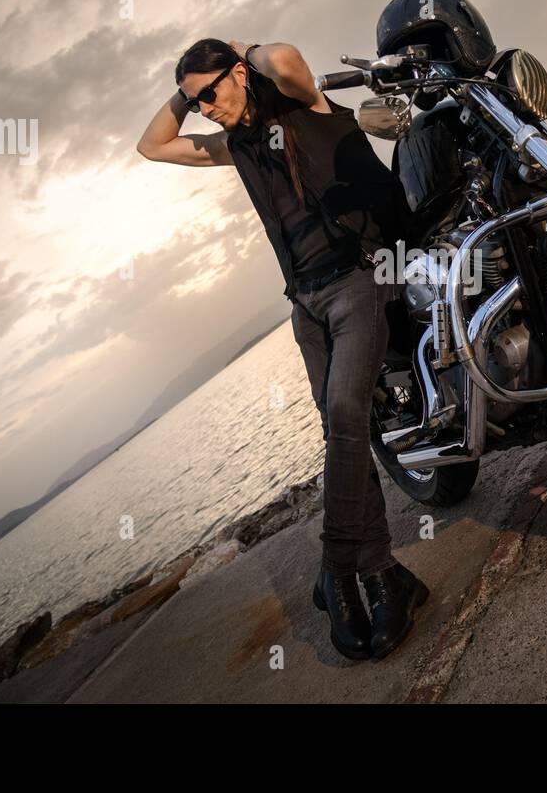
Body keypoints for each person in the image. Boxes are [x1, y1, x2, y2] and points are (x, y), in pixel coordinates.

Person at [136, 37, 428, 662]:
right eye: (196, 102)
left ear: (239, 73)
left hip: (361, 278)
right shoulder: (234, 147)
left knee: (348, 415)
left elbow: (285, 59)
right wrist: (187, 93)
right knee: (341, 433)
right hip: (308, 305)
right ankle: (382, 575)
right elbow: (151, 146)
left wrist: (242, 50)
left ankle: (335, 572)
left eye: (211, 93)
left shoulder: (302, 105)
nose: (205, 109)